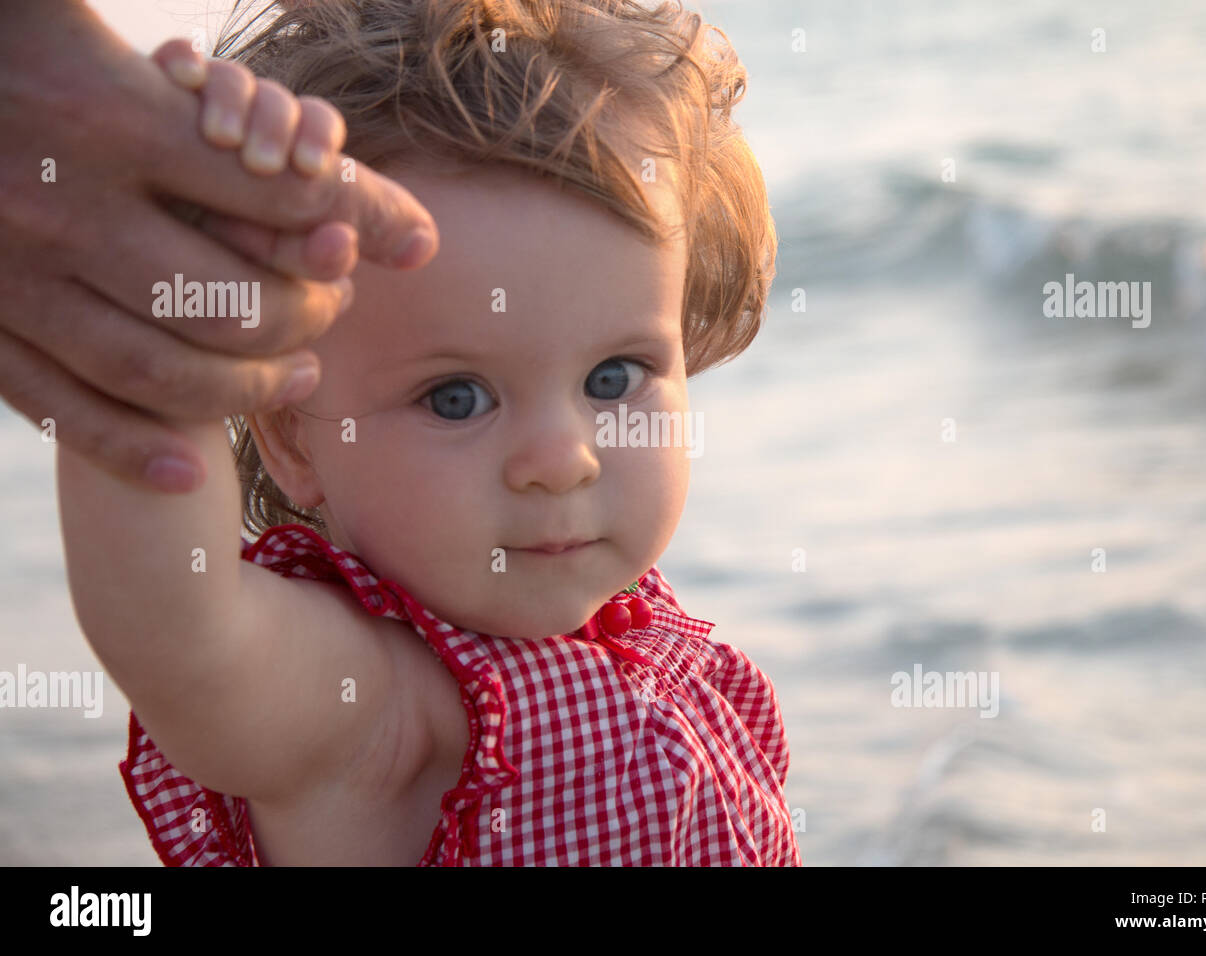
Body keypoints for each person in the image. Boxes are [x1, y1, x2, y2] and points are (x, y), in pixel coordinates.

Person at [61, 0, 800, 865]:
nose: (562, 460)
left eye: (613, 379)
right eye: (456, 398)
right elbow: (175, 631)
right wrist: (152, 337)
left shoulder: (641, 643)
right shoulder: (376, 701)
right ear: (296, 440)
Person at [0, 0, 438, 494]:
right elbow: (161, 552)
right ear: (292, 438)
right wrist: (171, 269)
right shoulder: (271, 577)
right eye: (455, 399)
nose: (546, 464)